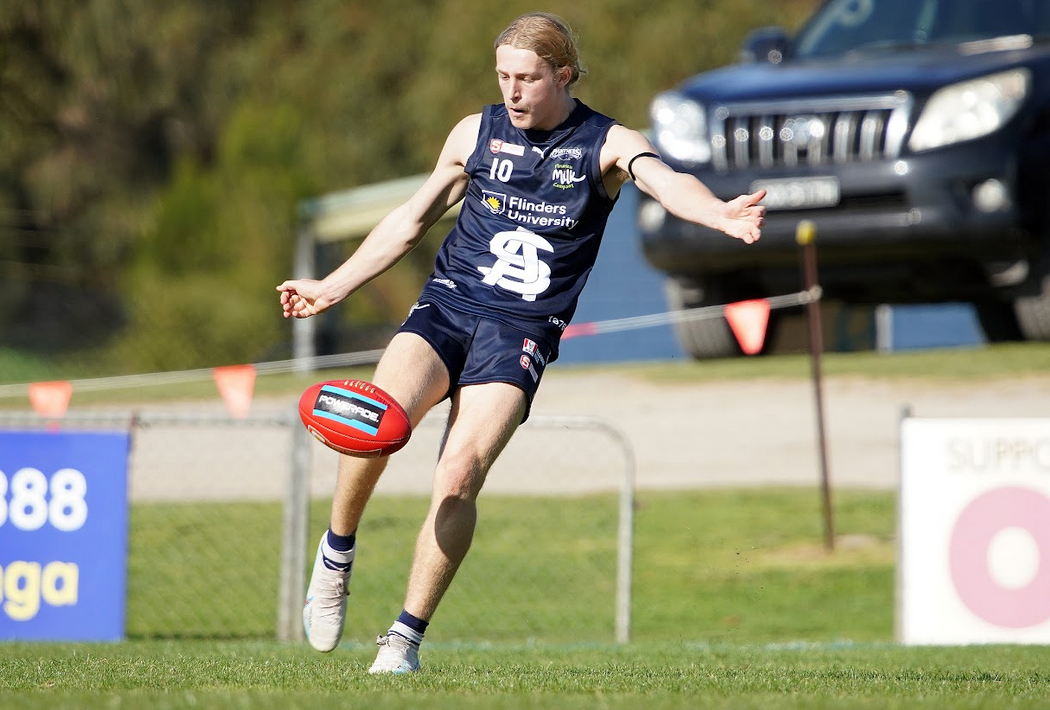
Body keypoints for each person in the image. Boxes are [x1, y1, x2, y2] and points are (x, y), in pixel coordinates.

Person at [276, 11, 765, 675]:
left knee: (458, 474)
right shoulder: (474, 133)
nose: (512, 91)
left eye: (527, 78)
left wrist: (715, 212)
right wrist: (334, 285)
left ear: (562, 75)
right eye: (503, 75)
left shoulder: (606, 142)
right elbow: (410, 219)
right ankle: (336, 555)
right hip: (447, 308)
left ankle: (403, 641)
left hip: (521, 332)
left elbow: (664, 178)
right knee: (376, 418)